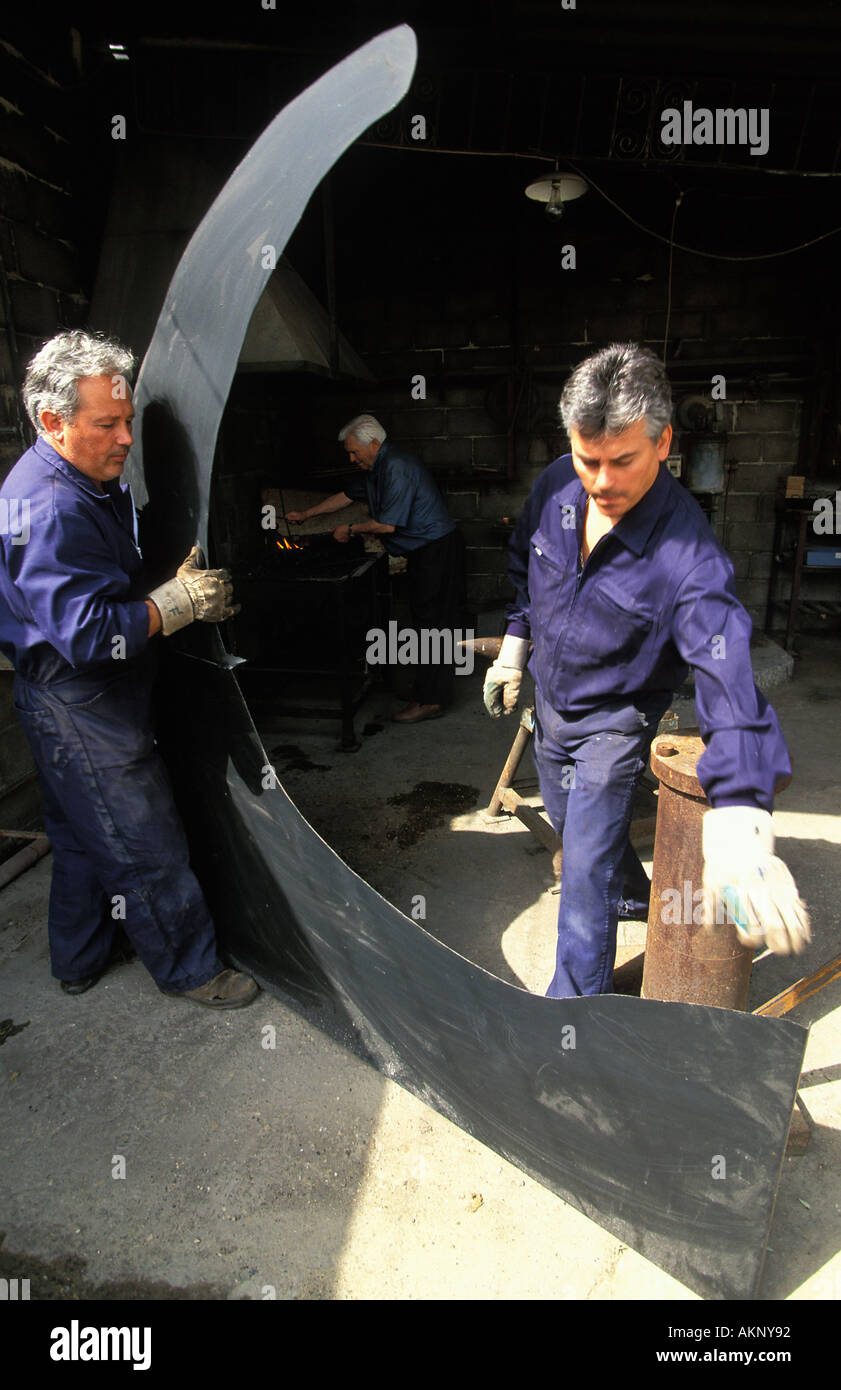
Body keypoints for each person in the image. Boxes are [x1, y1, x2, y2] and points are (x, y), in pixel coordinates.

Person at [483, 342, 810, 998]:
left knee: (579, 878)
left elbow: (728, 680)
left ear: (663, 445)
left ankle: (572, 1014)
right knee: (581, 837)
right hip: (550, 704)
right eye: (587, 459)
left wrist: (741, 817)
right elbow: (526, 565)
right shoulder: (554, 486)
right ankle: (630, 898)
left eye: (622, 461)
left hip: (613, 722)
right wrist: (515, 647)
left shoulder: (686, 555)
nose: (601, 481)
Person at [0, 329, 258, 1008]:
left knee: (82, 835)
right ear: (54, 423)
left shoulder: (83, 478)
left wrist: (151, 584)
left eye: (128, 422)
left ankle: (78, 958)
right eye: (106, 424)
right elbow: (86, 636)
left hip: (77, 691)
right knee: (143, 838)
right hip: (80, 698)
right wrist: (173, 606)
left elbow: (102, 582)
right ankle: (192, 969)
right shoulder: (48, 508)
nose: (123, 439)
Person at [285, 413, 465, 722]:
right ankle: (428, 690)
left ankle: (431, 700)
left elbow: (387, 525)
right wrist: (307, 513)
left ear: (375, 443)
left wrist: (350, 529)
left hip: (437, 550)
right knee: (425, 621)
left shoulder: (395, 466)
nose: (352, 458)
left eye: (355, 452)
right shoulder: (377, 467)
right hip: (426, 550)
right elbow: (345, 496)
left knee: (433, 625)